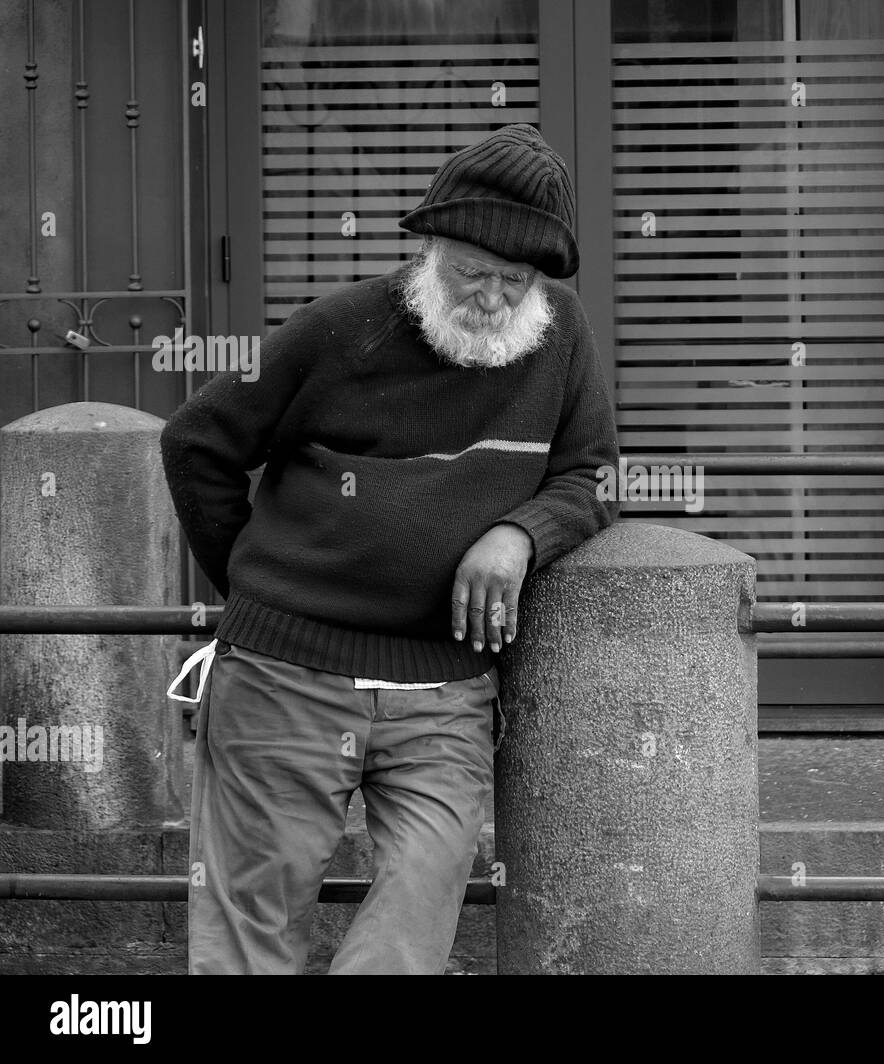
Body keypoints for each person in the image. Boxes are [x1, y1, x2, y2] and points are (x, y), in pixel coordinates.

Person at [160, 123, 620, 974]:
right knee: (247, 929)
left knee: (418, 908)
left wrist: (520, 535)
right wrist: (266, 588)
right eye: (472, 272)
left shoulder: (560, 338)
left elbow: (591, 475)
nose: (490, 298)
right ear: (430, 249)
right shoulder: (342, 329)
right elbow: (197, 441)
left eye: (513, 281)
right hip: (283, 679)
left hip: (443, 689)